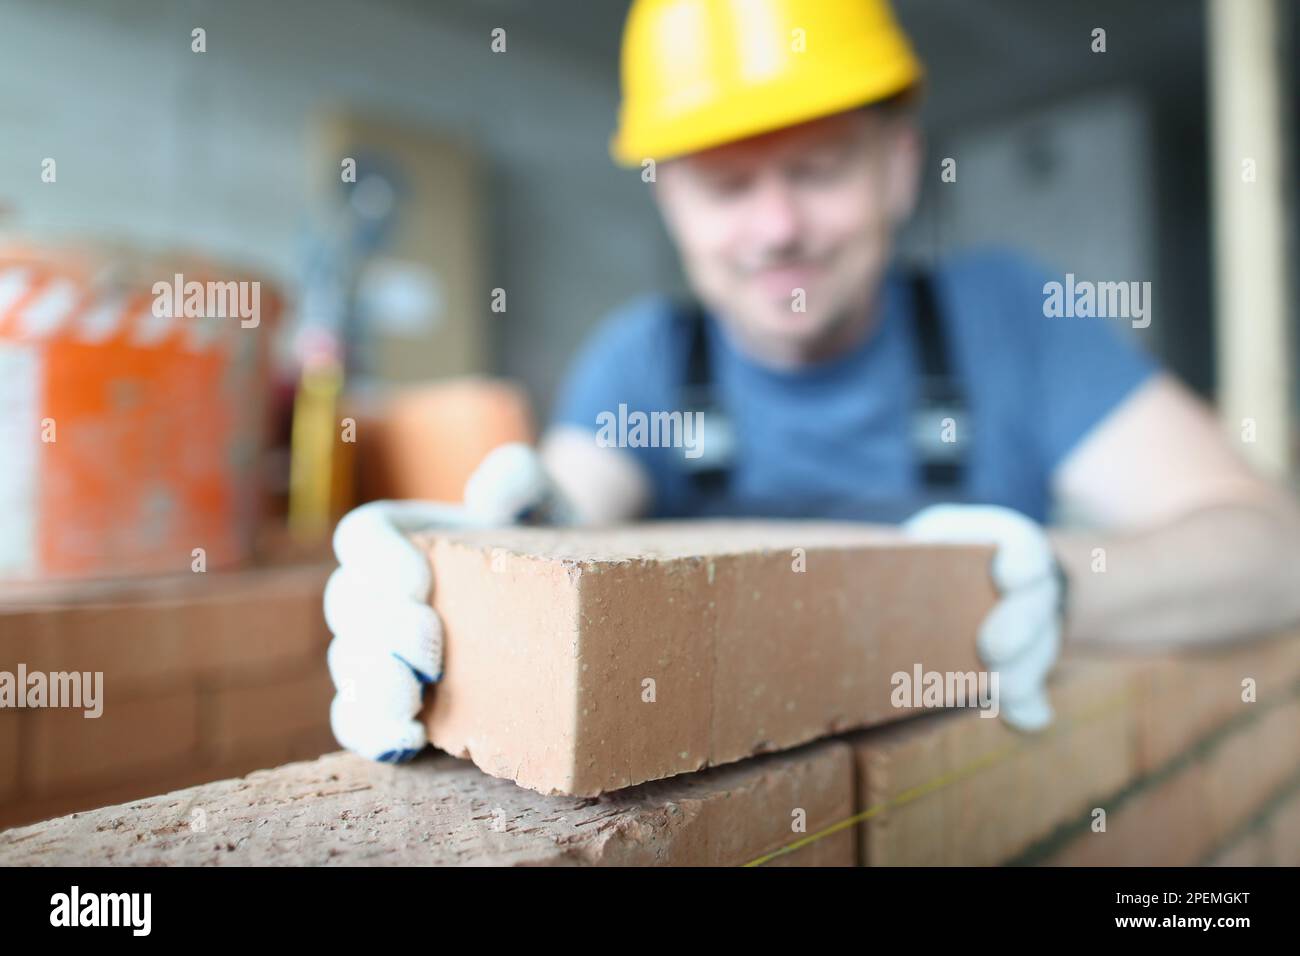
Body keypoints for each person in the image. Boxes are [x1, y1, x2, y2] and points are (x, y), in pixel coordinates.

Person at [324, 0, 1300, 762]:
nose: (777, 226)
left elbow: (1271, 551)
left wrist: (1056, 581)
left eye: (820, 167)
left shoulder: (1014, 318)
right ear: (671, 200)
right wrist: (464, 578)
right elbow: (564, 504)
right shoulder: (647, 363)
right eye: (728, 185)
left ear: (898, 166)